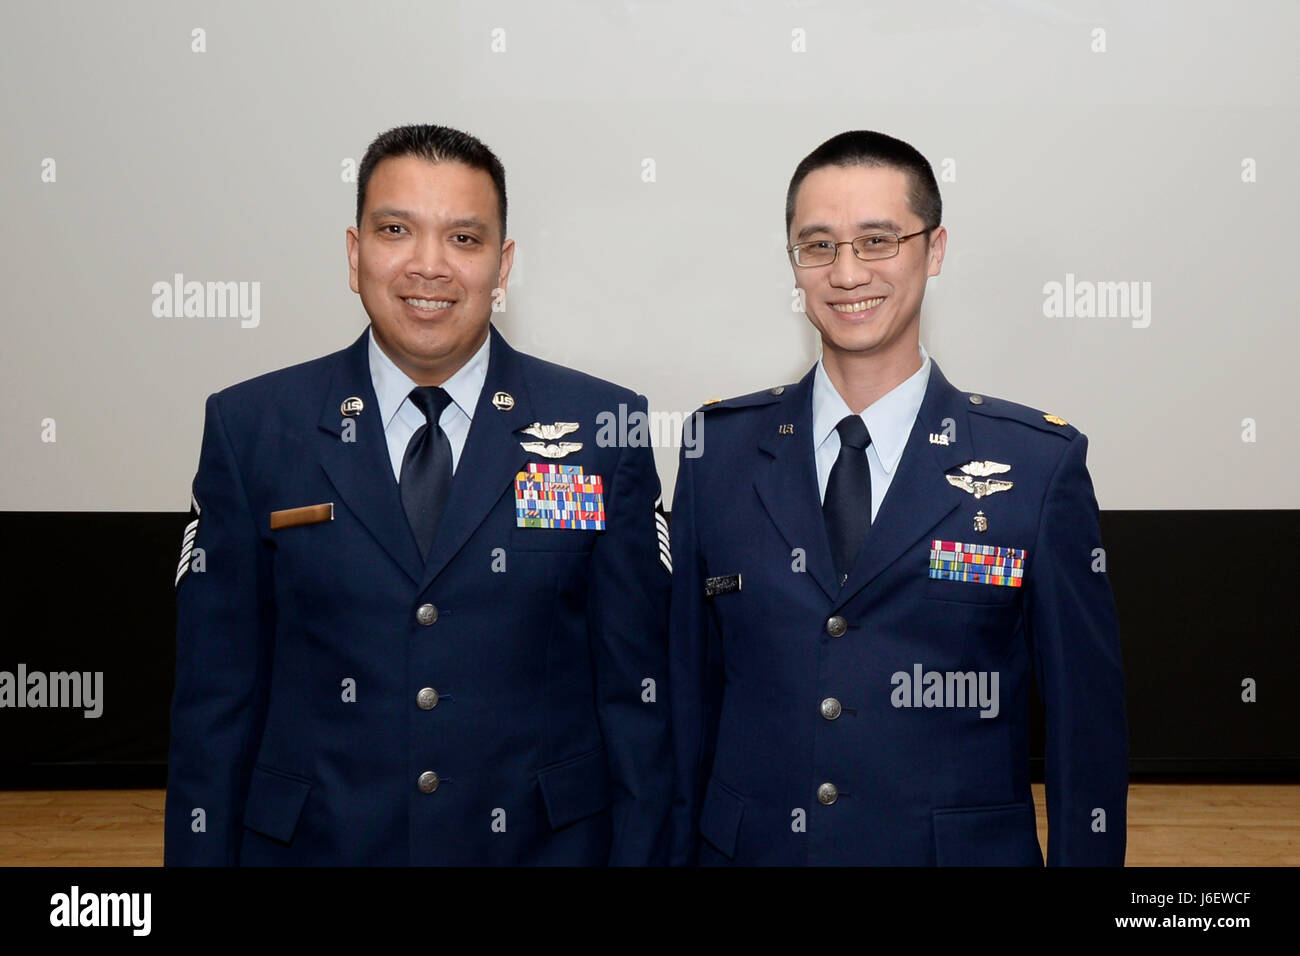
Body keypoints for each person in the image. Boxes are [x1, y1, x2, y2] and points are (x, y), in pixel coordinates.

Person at [164, 124, 672, 865]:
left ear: (503, 267)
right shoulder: (252, 428)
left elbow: (637, 704)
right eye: (396, 230)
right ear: (353, 253)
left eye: (464, 239)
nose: (428, 266)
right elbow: (215, 705)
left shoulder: (601, 430)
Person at [668, 130, 1128, 866]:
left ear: (934, 249)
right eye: (817, 245)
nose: (847, 272)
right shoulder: (716, 451)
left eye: (877, 240)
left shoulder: (1037, 467)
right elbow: (690, 703)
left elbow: (1086, 734)